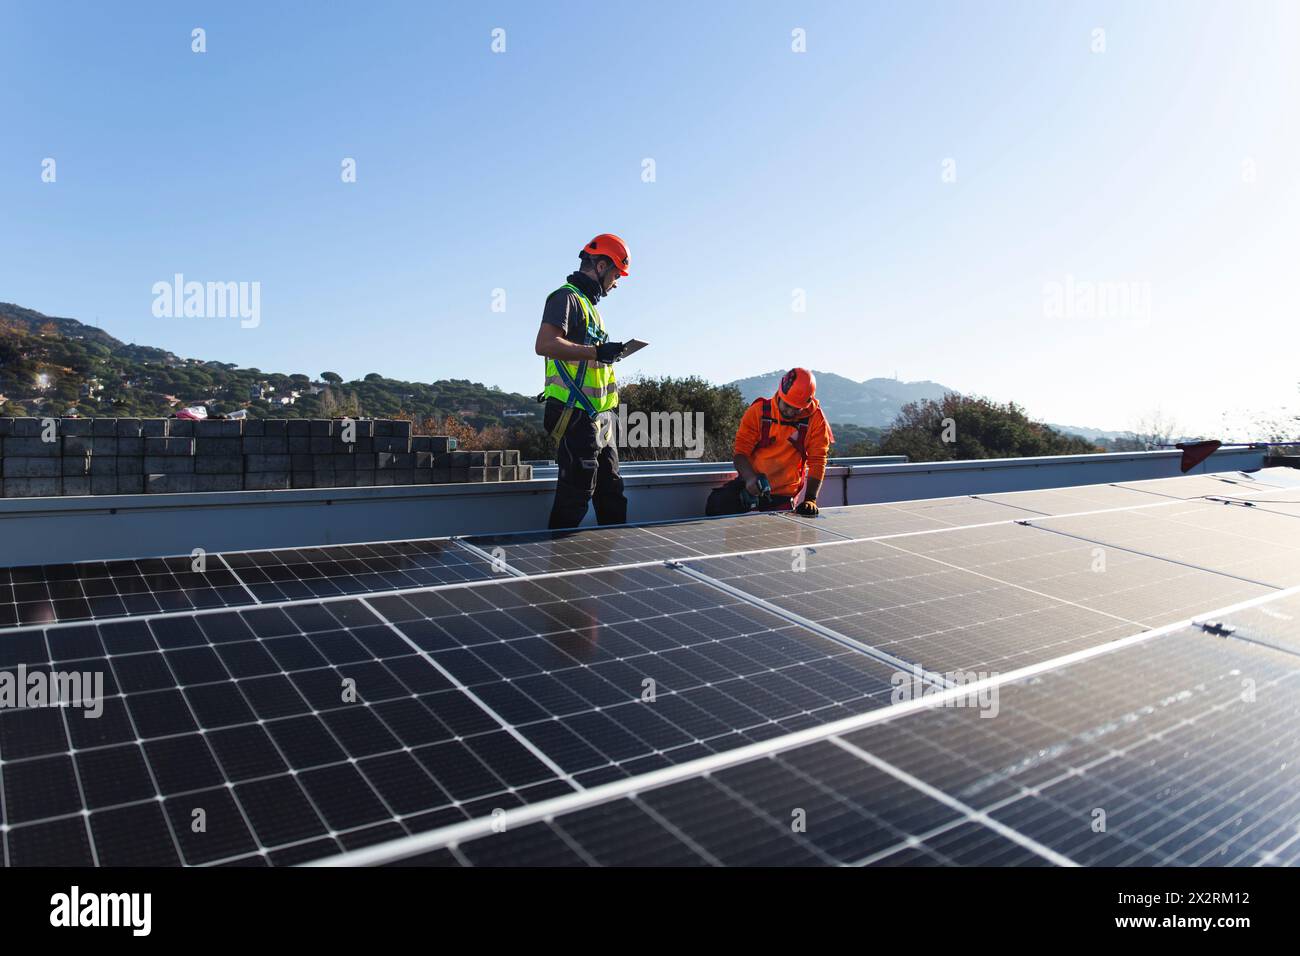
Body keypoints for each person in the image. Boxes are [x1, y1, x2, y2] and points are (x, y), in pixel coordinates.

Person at [534, 233, 633, 529]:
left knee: (611, 494)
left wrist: (605, 354)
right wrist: (597, 351)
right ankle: (557, 571)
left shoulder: (593, 310)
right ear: (601, 266)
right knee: (576, 494)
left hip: (601, 417)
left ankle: (613, 572)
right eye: (615, 275)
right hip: (573, 413)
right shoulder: (565, 298)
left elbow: (591, 360)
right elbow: (545, 344)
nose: (615, 283)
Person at [706, 367, 833, 517]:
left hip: (783, 495)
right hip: (751, 484)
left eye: (797, 409)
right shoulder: (758, 412)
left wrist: (811, 499)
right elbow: (740, 453)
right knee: (716, 504)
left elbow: (817, 461)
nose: (790, 412)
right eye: (787, 406)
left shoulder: (816, 420)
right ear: (780, 393)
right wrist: (750, 478)